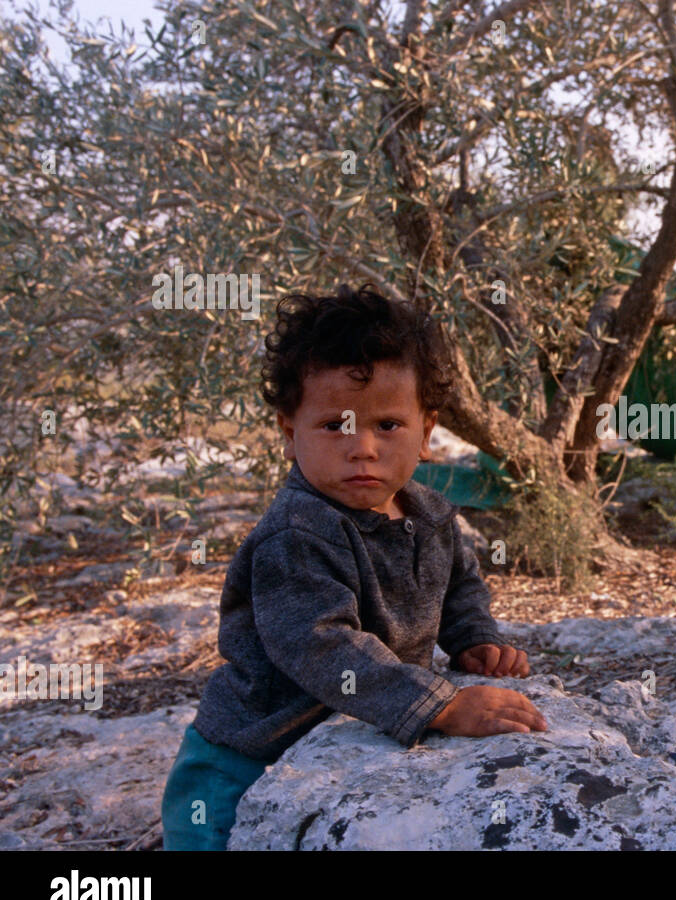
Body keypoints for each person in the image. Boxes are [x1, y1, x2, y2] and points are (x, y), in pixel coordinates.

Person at [160, 284, 546, 850]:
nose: (362, 446)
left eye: (387, 425)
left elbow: (460, 581)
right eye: (334, 426)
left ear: (426, 432)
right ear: (290, 433)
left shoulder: (430, 512)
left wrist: (474, 638)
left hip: (353, 737)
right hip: (247, 759)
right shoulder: (298, 533)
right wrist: (440, 704)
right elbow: (322, 645)